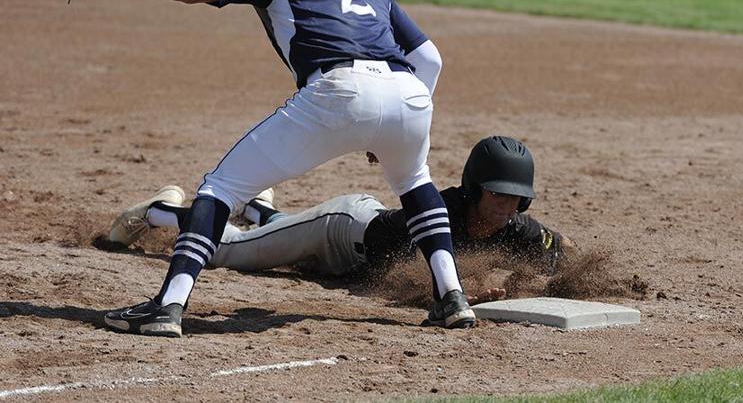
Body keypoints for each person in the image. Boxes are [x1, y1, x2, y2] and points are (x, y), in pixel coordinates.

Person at [101, 0, 474, 337]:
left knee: (220, 189)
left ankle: (167, 307)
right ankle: (452, 297)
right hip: (409, 95)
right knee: (414, 181)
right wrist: (394, 122)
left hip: (341, 90)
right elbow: (429, 58)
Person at [107, 136, 572, 306]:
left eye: (516, 199)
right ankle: (159, 211)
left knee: (275, 232)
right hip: (337, 230)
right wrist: (467, 290)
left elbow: (558, 248)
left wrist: (537, 275)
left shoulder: (516, 228)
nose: (506, 206)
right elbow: (409, 283)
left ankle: (260, 209)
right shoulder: (440, 212)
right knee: (226, 253)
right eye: (497, 194)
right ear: (473, 189)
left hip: (343, 261)